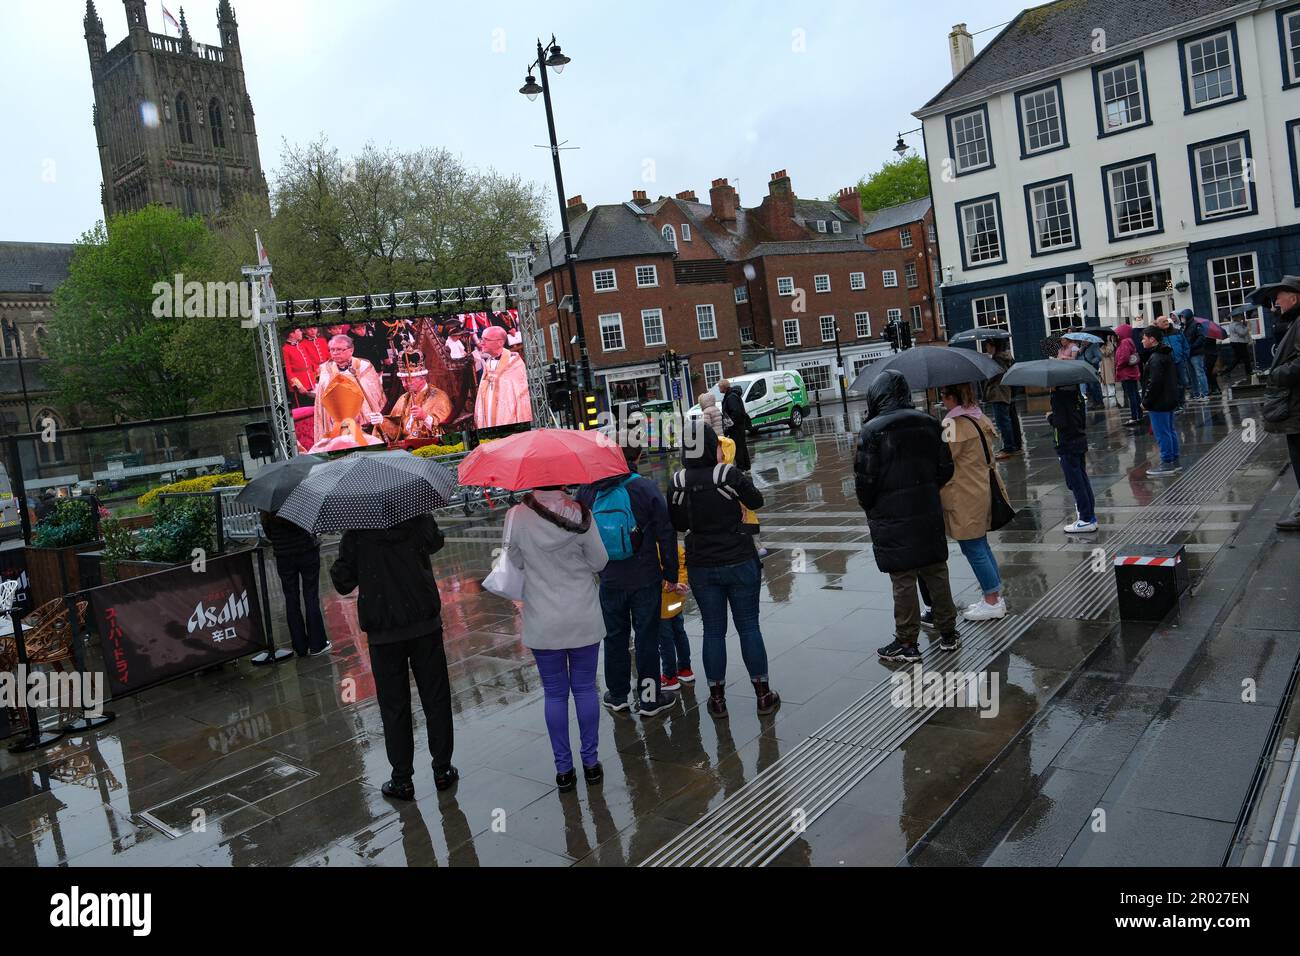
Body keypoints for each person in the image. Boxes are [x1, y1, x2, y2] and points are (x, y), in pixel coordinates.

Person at [330, 513, 457, 800]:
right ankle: (443, 769)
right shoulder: (416, 516)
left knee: (394, 706)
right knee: (436, 697)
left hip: (384, 632)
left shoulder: (357, 530)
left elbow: (343, 582)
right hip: (423, 623)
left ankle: (402, 779)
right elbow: (436, 541)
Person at [504, 484, 609, 790]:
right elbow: (600, 562)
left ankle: (563, 770)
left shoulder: (516, 516)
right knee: (586, 689)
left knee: (555, 693)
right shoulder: (581, 513)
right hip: (583, 616)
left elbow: (515, 562)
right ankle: (591, 764)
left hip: (543, 619)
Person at [669, 422, 778, 716]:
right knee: (748, 626)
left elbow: (678, 524)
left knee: (713, 631)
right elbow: (757, 500)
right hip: (739, 559)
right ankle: (763, 694)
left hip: (702, 564)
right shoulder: (727, 474)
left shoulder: (678, 480)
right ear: (710, 445)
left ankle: (717, 700)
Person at [853, 369, 960, 662]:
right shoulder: (929, 423)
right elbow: (945, 469)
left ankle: (907, 641)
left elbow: (865, 482)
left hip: (892, 516)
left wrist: (872, 505)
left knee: (903, 579)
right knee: (936, 571)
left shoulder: (872, 431)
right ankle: (949, 632)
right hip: (926, 510)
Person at [576, 444, 679, 718]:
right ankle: (648, 698)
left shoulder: (588, 490)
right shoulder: (644, 488)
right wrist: (671, 573)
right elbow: (665, 534)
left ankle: (618, 694)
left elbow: (578, 532)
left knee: (614, 637)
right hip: (644, 577)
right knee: (646, 637)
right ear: (637, 457)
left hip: (608, 577)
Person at [939, 383, 1010, 622]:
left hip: (963, 494)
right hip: (980, 489)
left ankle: (992, 601)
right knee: (981, 545)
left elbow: (943, 459)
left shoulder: (953, 424)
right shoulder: (978, 417)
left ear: (953, 397)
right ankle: (994, 595)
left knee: (973, 548)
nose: (942, 400)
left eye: (944, 395)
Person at [1259, 276, 1300, 530]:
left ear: (1293, 298)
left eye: (1279, 296)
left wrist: (1276, 373)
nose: (1276, 301)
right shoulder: (1293, 322)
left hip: (1296, 406)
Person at [260, 511, 330, 656]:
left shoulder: (268, 506)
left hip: (284, 556)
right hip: (306, 551)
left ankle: (300, 646)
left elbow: (268, 532)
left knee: (291, 598)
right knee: (311, 596)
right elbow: (313, 523)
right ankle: (317, 644)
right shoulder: (300, 499)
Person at [313, 335, 386, 446]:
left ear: (351, 350)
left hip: (363, 421)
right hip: (336, 421)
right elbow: (323, 396)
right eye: (332, 349)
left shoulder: (364, 366)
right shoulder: (325, 369)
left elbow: (373, 392)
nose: (335, 353)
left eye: (339, 349)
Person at [1047, 374, 1098, 533]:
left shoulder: (1058, 397)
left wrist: (1050, 417)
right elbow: (1081, 420)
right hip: (1079, 440)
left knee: (1076, 482)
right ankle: (1090, 515)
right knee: (1082, 479)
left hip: (1066, 443)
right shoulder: (1077, 394)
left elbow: (1060, 423)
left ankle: (1085, 518)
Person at [378, 351, 453, 444]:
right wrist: (382, 421)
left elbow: (444, 429)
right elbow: (398, 428)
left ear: (422, 377)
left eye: (409, 380)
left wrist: (425, 417)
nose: (405, 384)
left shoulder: (439, 397)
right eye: (402, 380)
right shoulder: (404, 398)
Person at [1141, 326, 1182, 477]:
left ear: (1152, 339)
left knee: (1162, 432)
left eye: (1144, 338)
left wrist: (1146, 401)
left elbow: (1154, 382)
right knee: (1170, 431)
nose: (1142, 340)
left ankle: (1167, 462)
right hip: (1168, 399)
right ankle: (1174, 460)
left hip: (1159, 402)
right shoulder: (1164, 354)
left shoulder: (1156, 358)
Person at [474, 326, 532, 428]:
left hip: (507, 420)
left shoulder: (514, 363)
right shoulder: (488, 363)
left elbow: (520, 395)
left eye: (485, 339)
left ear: (500, 342)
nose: (481, 342)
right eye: (481, 339)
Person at [658, 541, 693, 692]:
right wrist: (682, 582)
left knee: (665, 640)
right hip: (676, 600)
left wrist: (669, 585)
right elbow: (683, 560)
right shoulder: (669, 541)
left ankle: (669, 676)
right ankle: (685, 669)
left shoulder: (653, 544)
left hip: (661, 603)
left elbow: (653, 572)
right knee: (679, 633)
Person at [982, 338, 1021, 460]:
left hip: (999, 393)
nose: (986, 348)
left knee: (1003, 422)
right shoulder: (1006, 357)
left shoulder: (997, 359)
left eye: (987, 346)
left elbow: (995, 376)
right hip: (1007, 392)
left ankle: (1009, 448)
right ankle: (1016, 446)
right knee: (1012, 420)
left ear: (993, 346)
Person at [718, 379, 752, 471]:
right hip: (737, 426)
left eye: (719, 386)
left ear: (723, 387)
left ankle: (741, 466)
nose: (718, 388)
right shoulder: (730, 395)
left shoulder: (731, 397)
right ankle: (745, 465)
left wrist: (730, 425)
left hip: (736, 427)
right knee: (741, 445)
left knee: (738, 446)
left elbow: (735, 413)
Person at [1158, 315, 1190, 409]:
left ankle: (1181, 401)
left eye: (1166, 321)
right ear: (1159, 324)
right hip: (1167, 363)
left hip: (1179, 361)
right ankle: (1176, 403)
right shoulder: (1158, 335)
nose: (1166, 322)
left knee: (1183, 382)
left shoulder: (1177, 332)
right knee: (1172, 384)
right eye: (1163, 322)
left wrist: (1184, 356)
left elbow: (1185, 345)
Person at [1115, 323, 1144, 427]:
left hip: (1127, 373)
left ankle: (1134, 417)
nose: (1116, 335)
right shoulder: (1127, 341)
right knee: (1135, 394)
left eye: (1118, 333)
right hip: (1130, 372)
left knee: (1132, 395)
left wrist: (1118, 366)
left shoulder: (1124, 342)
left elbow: (1124, 358)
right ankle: (1139, 415)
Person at [282, 327, 317, 409]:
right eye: (298, 331)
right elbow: (288, 372)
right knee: (303, 410)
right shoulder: (285, 349)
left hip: (310, 383)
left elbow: (309, 363)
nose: (301, 332)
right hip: (300, 387)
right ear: (292, 334)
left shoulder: (301, 346)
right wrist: (299, 386)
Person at [1180, 308, 1209, 401]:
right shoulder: (1185, 326)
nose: (1182, 318)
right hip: (1188, 354)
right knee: (1192, 375)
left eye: (1183, 317)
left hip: (1196, 353)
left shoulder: (1196, 325)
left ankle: (1205, 394)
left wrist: (1191, 346)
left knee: (1200, 373)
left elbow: (1201, 338)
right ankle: (1196, 393)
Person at [1222, 312, 1254, 384]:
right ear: (1236, 317)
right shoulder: (1236, 324)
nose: (1241, 317)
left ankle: (1226, 371)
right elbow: (1242, 333)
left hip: (1236, 343)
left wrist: (1244, 324)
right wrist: (1247, 327)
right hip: (1239, 343)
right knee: (1246, 358)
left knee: (1237, 359)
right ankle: (1249, 372)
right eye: (1240, 316)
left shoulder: (1233, 324)